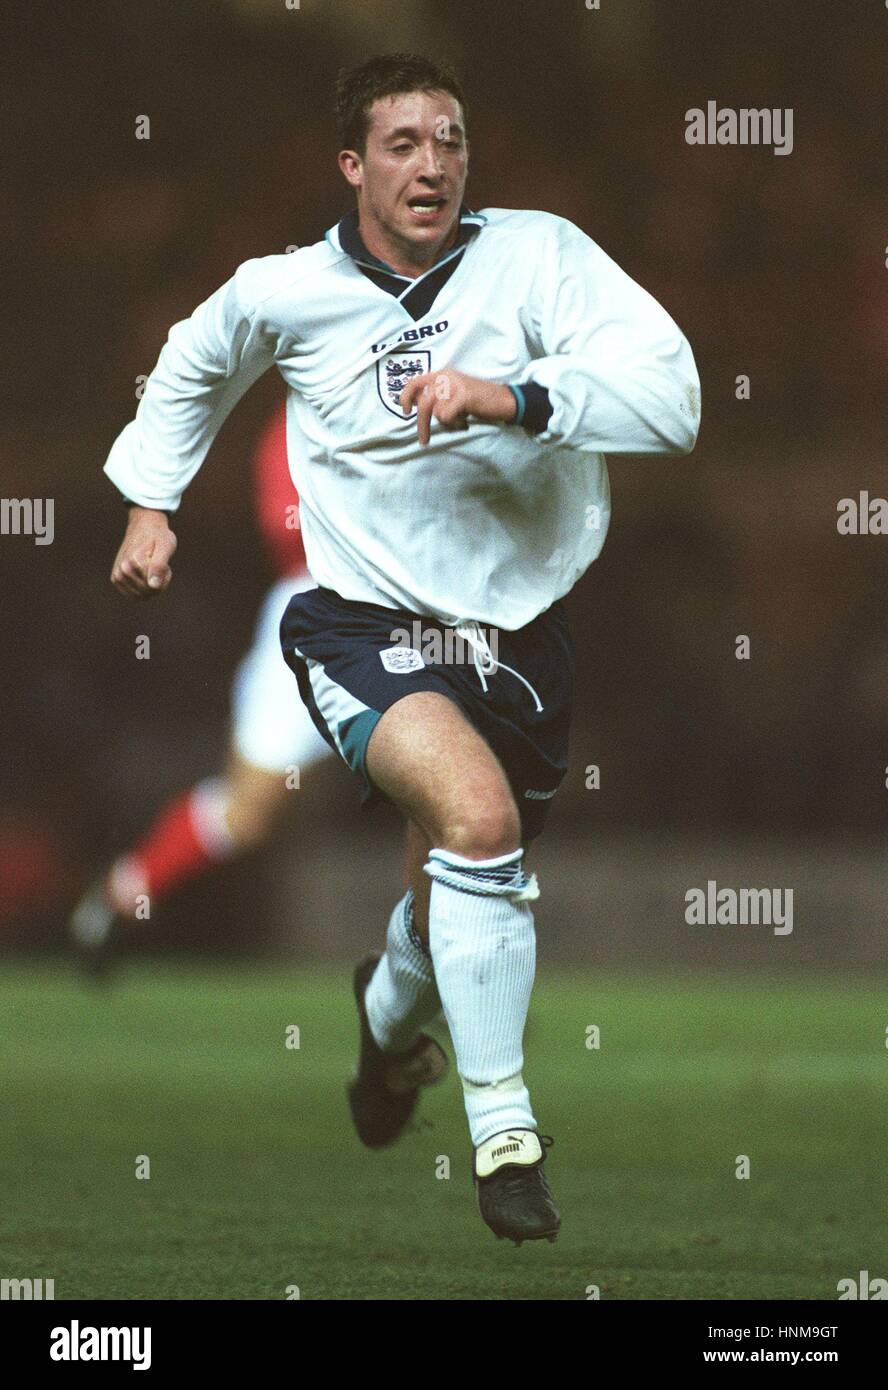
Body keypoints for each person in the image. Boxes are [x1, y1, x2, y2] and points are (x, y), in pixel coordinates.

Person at [100, 52, 700, 1244]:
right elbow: (194, 359)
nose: (432, 162)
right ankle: (506, 1135)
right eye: (404, 143)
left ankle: (382, 1035)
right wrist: (150, 501)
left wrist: (513, 395)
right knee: (479, 823)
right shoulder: (286, 289)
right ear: (353, 166)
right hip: (361, 627)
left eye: (451, 140)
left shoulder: (541, 257)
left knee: (449, 887)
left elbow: (674, 399)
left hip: (519, 640)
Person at [70, 403, 332, 967]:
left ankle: (440, 987)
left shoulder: (430, 379)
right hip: (321, 615)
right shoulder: (298, 416)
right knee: (247, 810)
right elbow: (285, 530)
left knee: (451, 801)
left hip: (420, 615)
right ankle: (124, 891)